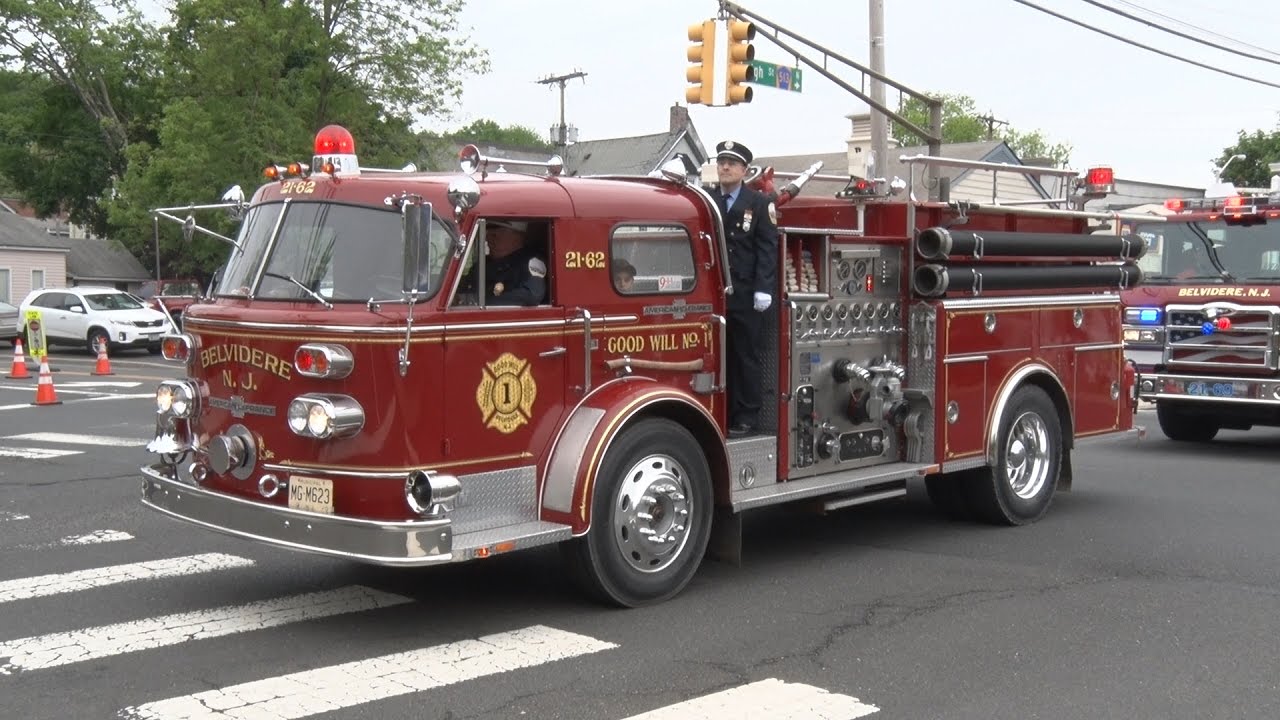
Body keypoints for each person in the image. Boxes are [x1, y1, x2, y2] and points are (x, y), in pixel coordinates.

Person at [714, 140, 778, 438]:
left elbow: (767, 248)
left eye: (732, 163)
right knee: (719, 356)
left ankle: (747, 415)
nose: (725, 167)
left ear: (744, 170)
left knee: (744, 355)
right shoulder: (708, 199)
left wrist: (763, 288)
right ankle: (722, 411)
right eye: (722, 161)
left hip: (746, 293)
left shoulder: (759, 203)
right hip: (715, 294)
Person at [473, 219, 548, 306]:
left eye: (494, 235)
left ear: (517, 237)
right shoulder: (484, 263)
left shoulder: (531, 261)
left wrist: (485, 303)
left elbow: (532, 294)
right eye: (487, 235)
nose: (488, 240)